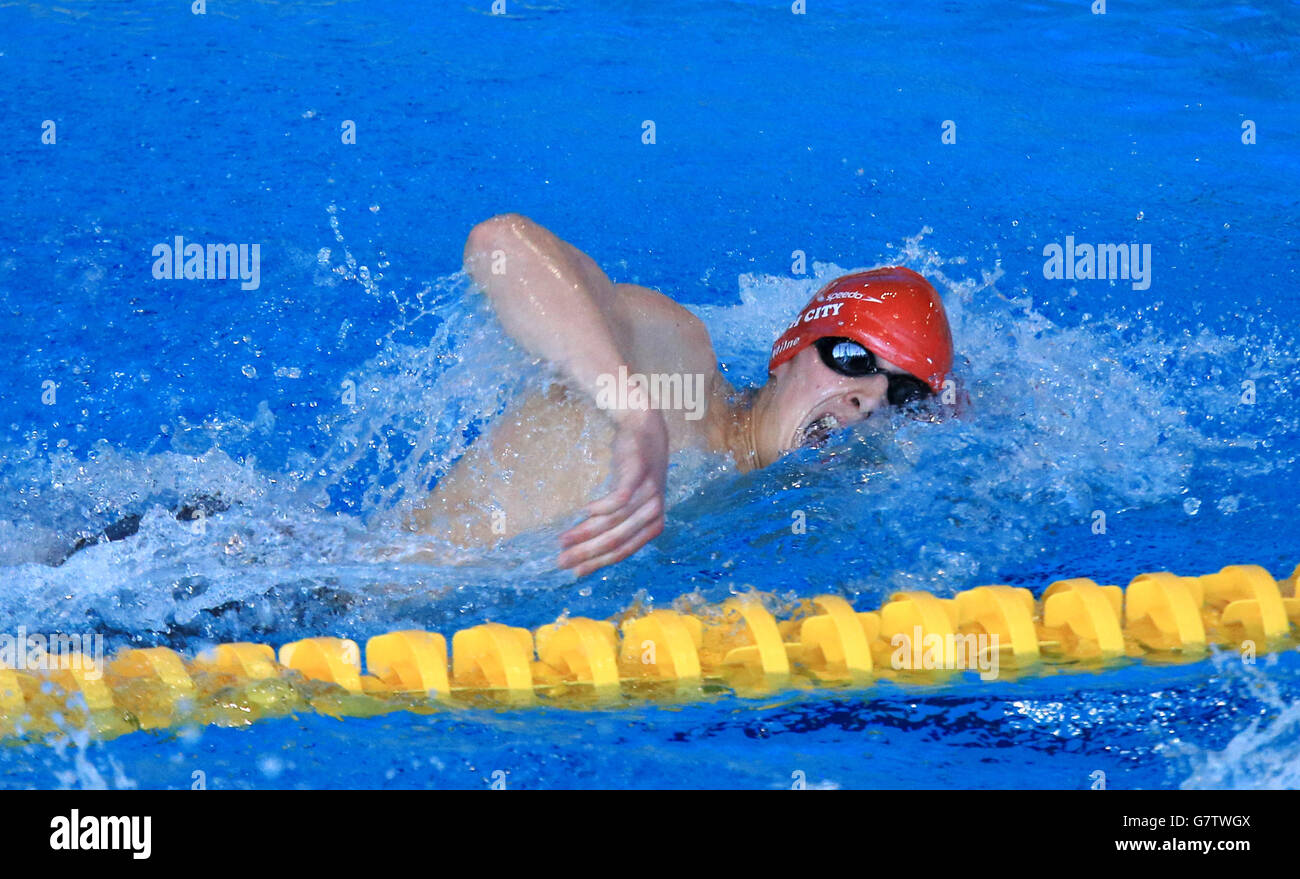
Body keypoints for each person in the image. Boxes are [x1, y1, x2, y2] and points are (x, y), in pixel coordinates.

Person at [411, 213, 954, 577]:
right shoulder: (678, 375)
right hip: (353, 600)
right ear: (787, 354)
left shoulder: (770, 507)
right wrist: (635, 418)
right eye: (852, 360)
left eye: (901, 393)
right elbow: (499, 243)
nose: (870, 399)